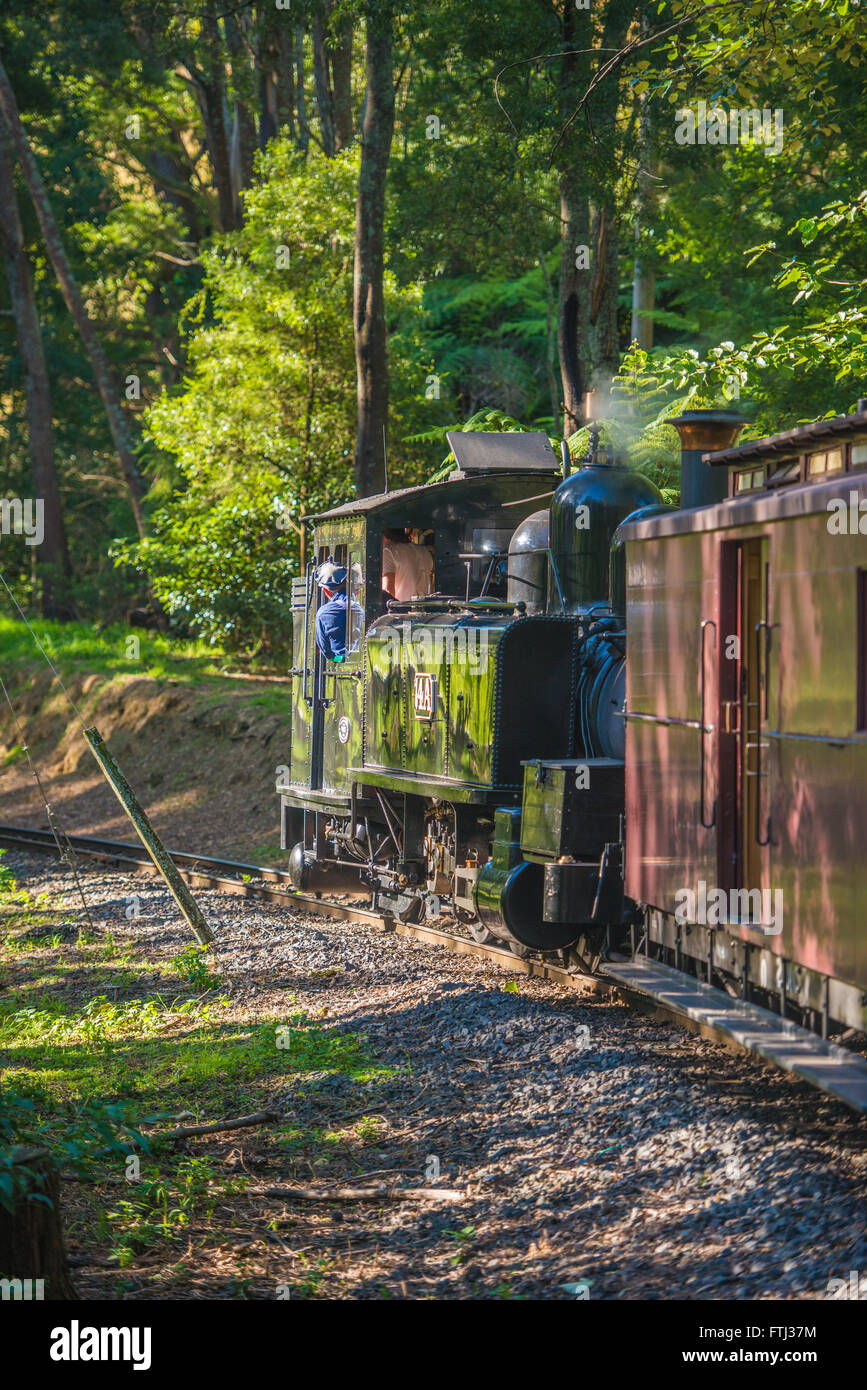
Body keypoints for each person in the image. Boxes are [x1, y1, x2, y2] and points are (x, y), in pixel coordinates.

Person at [382, 527, 434, 602]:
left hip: (400, 610)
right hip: (422, 609)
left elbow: (388, 590)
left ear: (384, 536)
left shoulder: (388, 551)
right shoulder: (424, 551)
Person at [314, 563, 352, 661]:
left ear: (326, 591)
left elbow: (328, 653)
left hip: (344, 669)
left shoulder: (324, 613)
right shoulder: (381, 598)